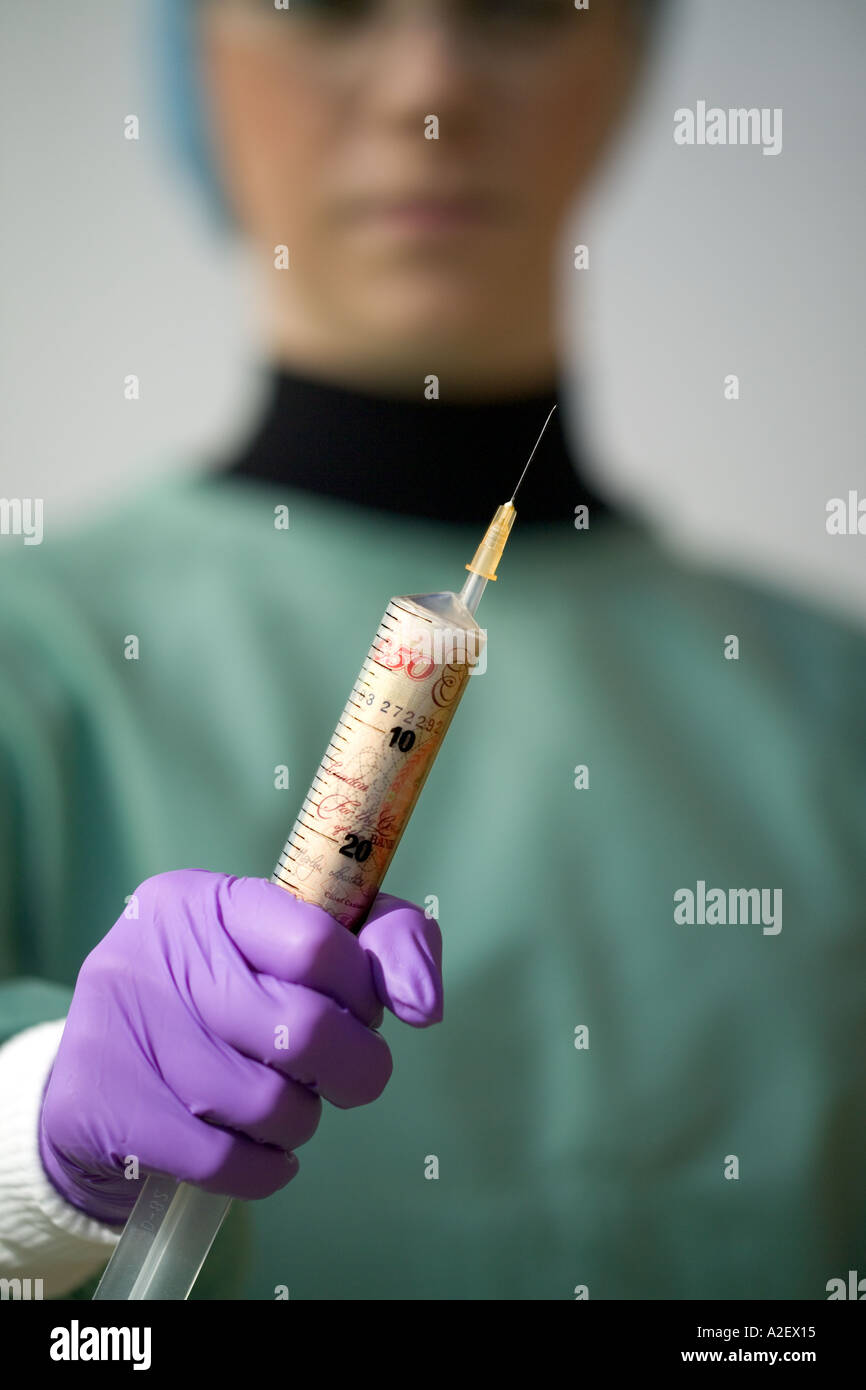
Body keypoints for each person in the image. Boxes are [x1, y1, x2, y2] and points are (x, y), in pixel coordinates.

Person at [1, 0, 864, 1302]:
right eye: (327, 5)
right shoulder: (34, 659)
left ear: (623, 59)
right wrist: (43, 1145)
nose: (430, 90)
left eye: (514, 7)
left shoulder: (831, 697)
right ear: (193, 57)